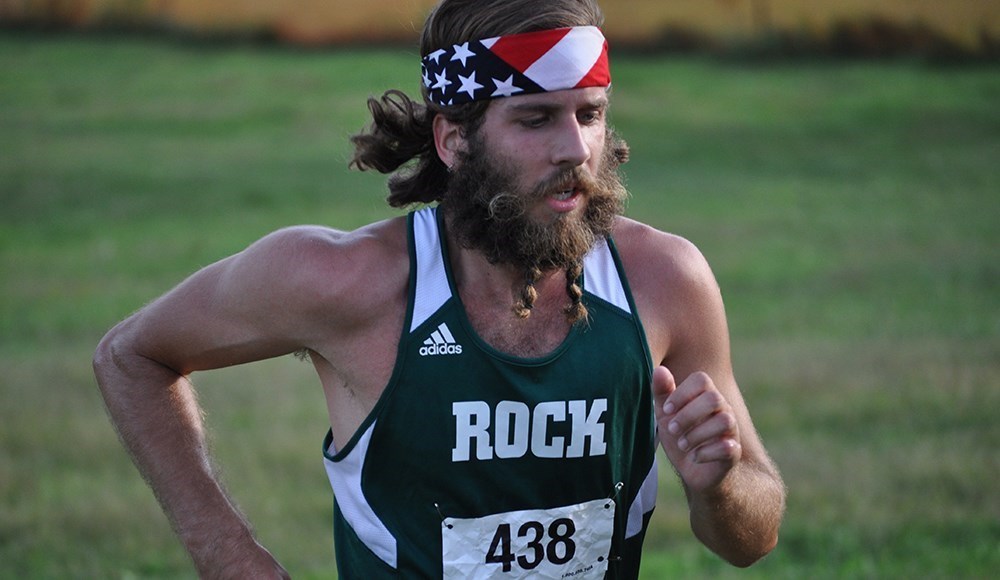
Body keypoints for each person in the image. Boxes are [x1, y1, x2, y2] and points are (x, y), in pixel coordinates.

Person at [93, 0, 786, 577]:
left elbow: (753, 538)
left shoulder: (664, 279)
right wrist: (229, 557)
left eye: (590, 114)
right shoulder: (346, 281)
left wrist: (720, 487)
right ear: (454, 140)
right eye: (536, 118)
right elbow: (131, 356)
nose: (576, 149)